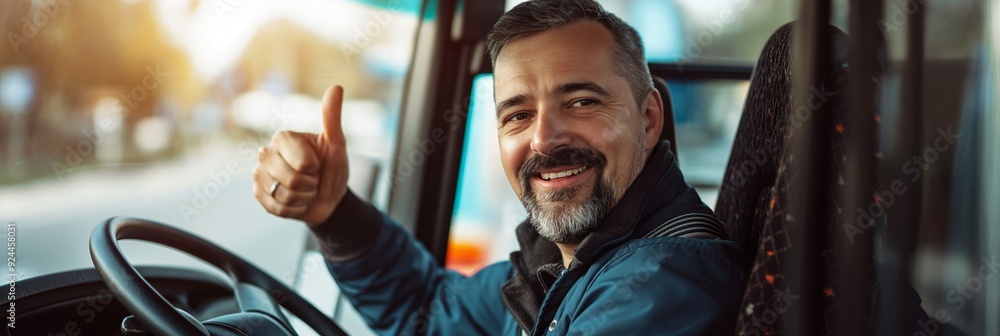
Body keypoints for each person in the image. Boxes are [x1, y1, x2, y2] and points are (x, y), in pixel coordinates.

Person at [253, 1, 749, 334]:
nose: (544, 139)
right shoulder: (560, 268)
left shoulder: (663, 285)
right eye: (517, 115)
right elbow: (429, 314)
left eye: (581, 102)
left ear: (649, 119)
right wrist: (334, 213)